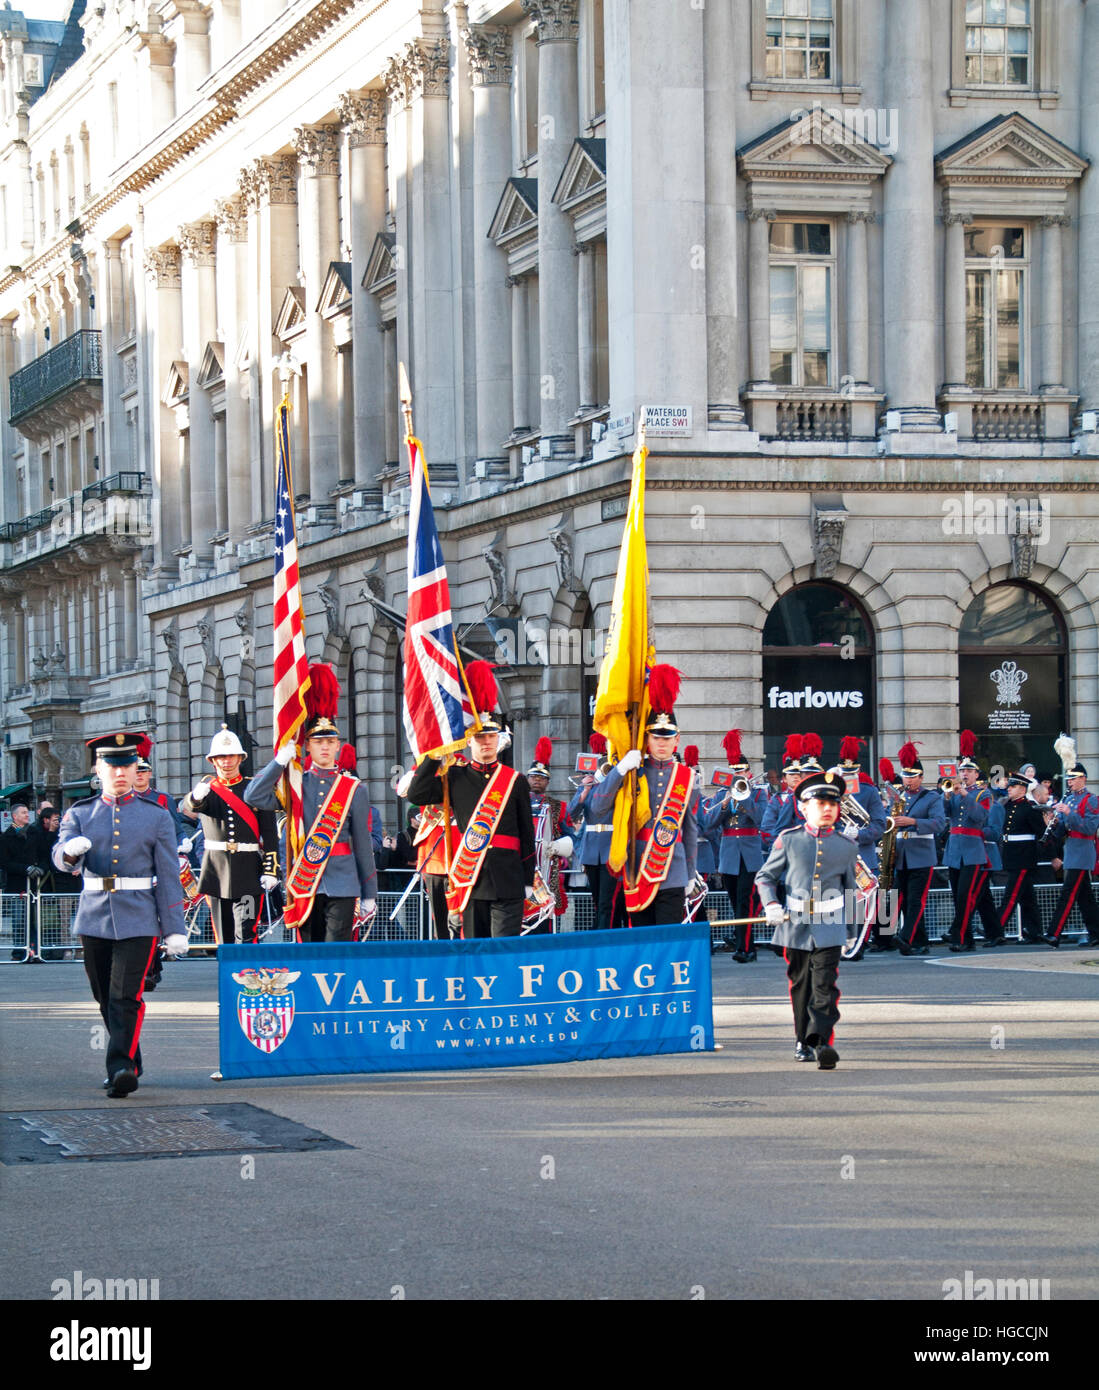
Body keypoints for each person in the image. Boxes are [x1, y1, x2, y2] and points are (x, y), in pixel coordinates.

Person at [53, 731, 189, 1097]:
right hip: (94, 915)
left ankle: (121, 1068)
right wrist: (69, 853)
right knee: (103, 996)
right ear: (98, 768)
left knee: (125, 996)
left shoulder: (157, 816)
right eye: (111, 766)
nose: (120, 773)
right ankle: (131, 1057)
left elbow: (169, 876)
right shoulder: (80, 812)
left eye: (126, 765)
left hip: (140, 916)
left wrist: (173, 927)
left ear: (135, 769)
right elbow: (60, 856)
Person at [405, 662, 536, 939]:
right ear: (469, 741)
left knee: (504, 954)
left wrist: (527, 880)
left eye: (490, 736)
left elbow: (527, 834)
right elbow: (416, 795)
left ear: (498, 739)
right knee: (475, 954)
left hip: (508, 879)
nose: (486, 742)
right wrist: (435, 756)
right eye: (479, 737)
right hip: (470, 879)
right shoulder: (455, 777)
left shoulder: (515, 780)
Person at [247, 665, 377, 944]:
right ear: (307, 746)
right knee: (310, 952)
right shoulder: (296, 785)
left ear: (338, 745)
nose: (326, 747)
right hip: (304, 880)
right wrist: (279, 761)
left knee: (335, 952)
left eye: (331, 741)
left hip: (343, 881)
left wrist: (369, 893)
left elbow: (363, 845)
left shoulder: (353, 789)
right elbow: (254, 796)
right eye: (319, 742)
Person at [755, 770, 858, 1069]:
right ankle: (803, 1040)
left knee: (826, 985)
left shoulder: (846, 845)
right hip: (795, 924)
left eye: (833, 804)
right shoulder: (789, 840)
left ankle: (822, 1041)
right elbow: (765, 877)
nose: (828, 809)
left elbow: (850, 889)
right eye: (820, 803)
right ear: (803, 806)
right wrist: (771, 903)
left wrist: (851, 930)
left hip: (831, 924)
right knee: (801, 985)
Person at [585, 666, 699, 928]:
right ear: (646, 738)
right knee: (642, 939)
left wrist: (690, 874)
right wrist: (619, 770)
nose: (661, 742)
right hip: (636, 867)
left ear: (677, 740)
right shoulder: (633, 770)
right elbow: (599, 806)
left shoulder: (686, 778)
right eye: (656, 736)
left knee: (668, 940)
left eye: (667, 737)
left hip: (673, 867)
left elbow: (690, 830)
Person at [179, 726, 280, 948]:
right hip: (216, 870)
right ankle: (229, 980)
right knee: (224, 938)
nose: (226, 761)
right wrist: (194, 798)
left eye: (231, 755)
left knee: (246, 934)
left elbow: (270, 834)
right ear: (213, 761)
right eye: (221, 757)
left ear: (240, 758)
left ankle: (249, 979)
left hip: (248, 871)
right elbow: (191, 805)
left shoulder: (255, 789)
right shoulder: (208, 789)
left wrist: (271, 869)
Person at [703, 729, 767, 961]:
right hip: (729, 854)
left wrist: (744, 797)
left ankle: (746, 948)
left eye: (741, 771)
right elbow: (709, 825)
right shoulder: (721, 794)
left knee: (745, 901)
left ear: (749, 772)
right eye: (734, 773)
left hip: (750, 854)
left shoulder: (759, 793)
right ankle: (743, 944)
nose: (738, 775)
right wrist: (724, 803)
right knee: (735, 902)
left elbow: (760, 819)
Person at [566, 734, 626, 931]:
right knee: (597, 898)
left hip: (610, 845)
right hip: (592, 848)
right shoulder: (589, 786)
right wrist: (584, 790)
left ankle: (604, 933)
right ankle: (600, 931)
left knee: (607, 899)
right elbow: (572, 814)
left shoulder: (616, 786)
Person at [942, 735, 994, 952]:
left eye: (969, 771)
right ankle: (968, 939)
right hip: (955, 849)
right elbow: (945, 815)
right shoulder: (953, 792)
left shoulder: (984, 793)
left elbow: (979, 817)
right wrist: (946, 797)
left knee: (965, 896)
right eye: (962, 771)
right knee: (957, 896)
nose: (964, 774)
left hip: (973, 850)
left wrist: (965, 795)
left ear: (976, 774)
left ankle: (961, 938)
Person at [1043, 758, 1099, 948]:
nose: (1070, 782)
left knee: (1068, 893)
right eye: (1069, 779)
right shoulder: (1068, 798)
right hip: (1072, 850)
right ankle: (1096, 933)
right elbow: (1062, 832)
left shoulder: (1091, 799)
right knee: (1085, 898)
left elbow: (1090, 827)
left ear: (1083, 778)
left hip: (1083, 850)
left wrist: (1068, 813)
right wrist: (1054, 823)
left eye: (1074, 778)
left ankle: (1054, 933)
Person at [524, 738, 573, 933]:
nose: (537, 780)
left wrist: (558, 848)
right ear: (527, 778)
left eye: (542, 777)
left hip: (547, 868)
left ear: (547, 781)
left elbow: (570, 836)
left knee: (546, 911)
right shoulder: (516, 803)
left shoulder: (559, 807)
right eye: (534, 776)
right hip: (524, 866)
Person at [996, 773, 1048, 944]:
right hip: (1012, 855)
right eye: (1009, 786)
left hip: (1024, 858)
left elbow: (1042, 835)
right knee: (1027, 898)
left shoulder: (1029, 809)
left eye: (1013, 786)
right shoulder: (1008, 807)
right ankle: (1034, 932)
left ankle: (996, 929)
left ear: (1023, 789)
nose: (1009, 789)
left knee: (1011, 895)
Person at [1, 803, 40, 961]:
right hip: (17, 884)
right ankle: (19, 951)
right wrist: (25, 868)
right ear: (14, 816)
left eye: (27, 812)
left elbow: (43, 854)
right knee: (19, 920)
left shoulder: (34, 833)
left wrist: (40, 868)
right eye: (23, 813)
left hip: (36, 883)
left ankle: (36, 951)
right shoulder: (6, 837)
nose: (27, 815)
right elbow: (4, 862)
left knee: (36, 919)